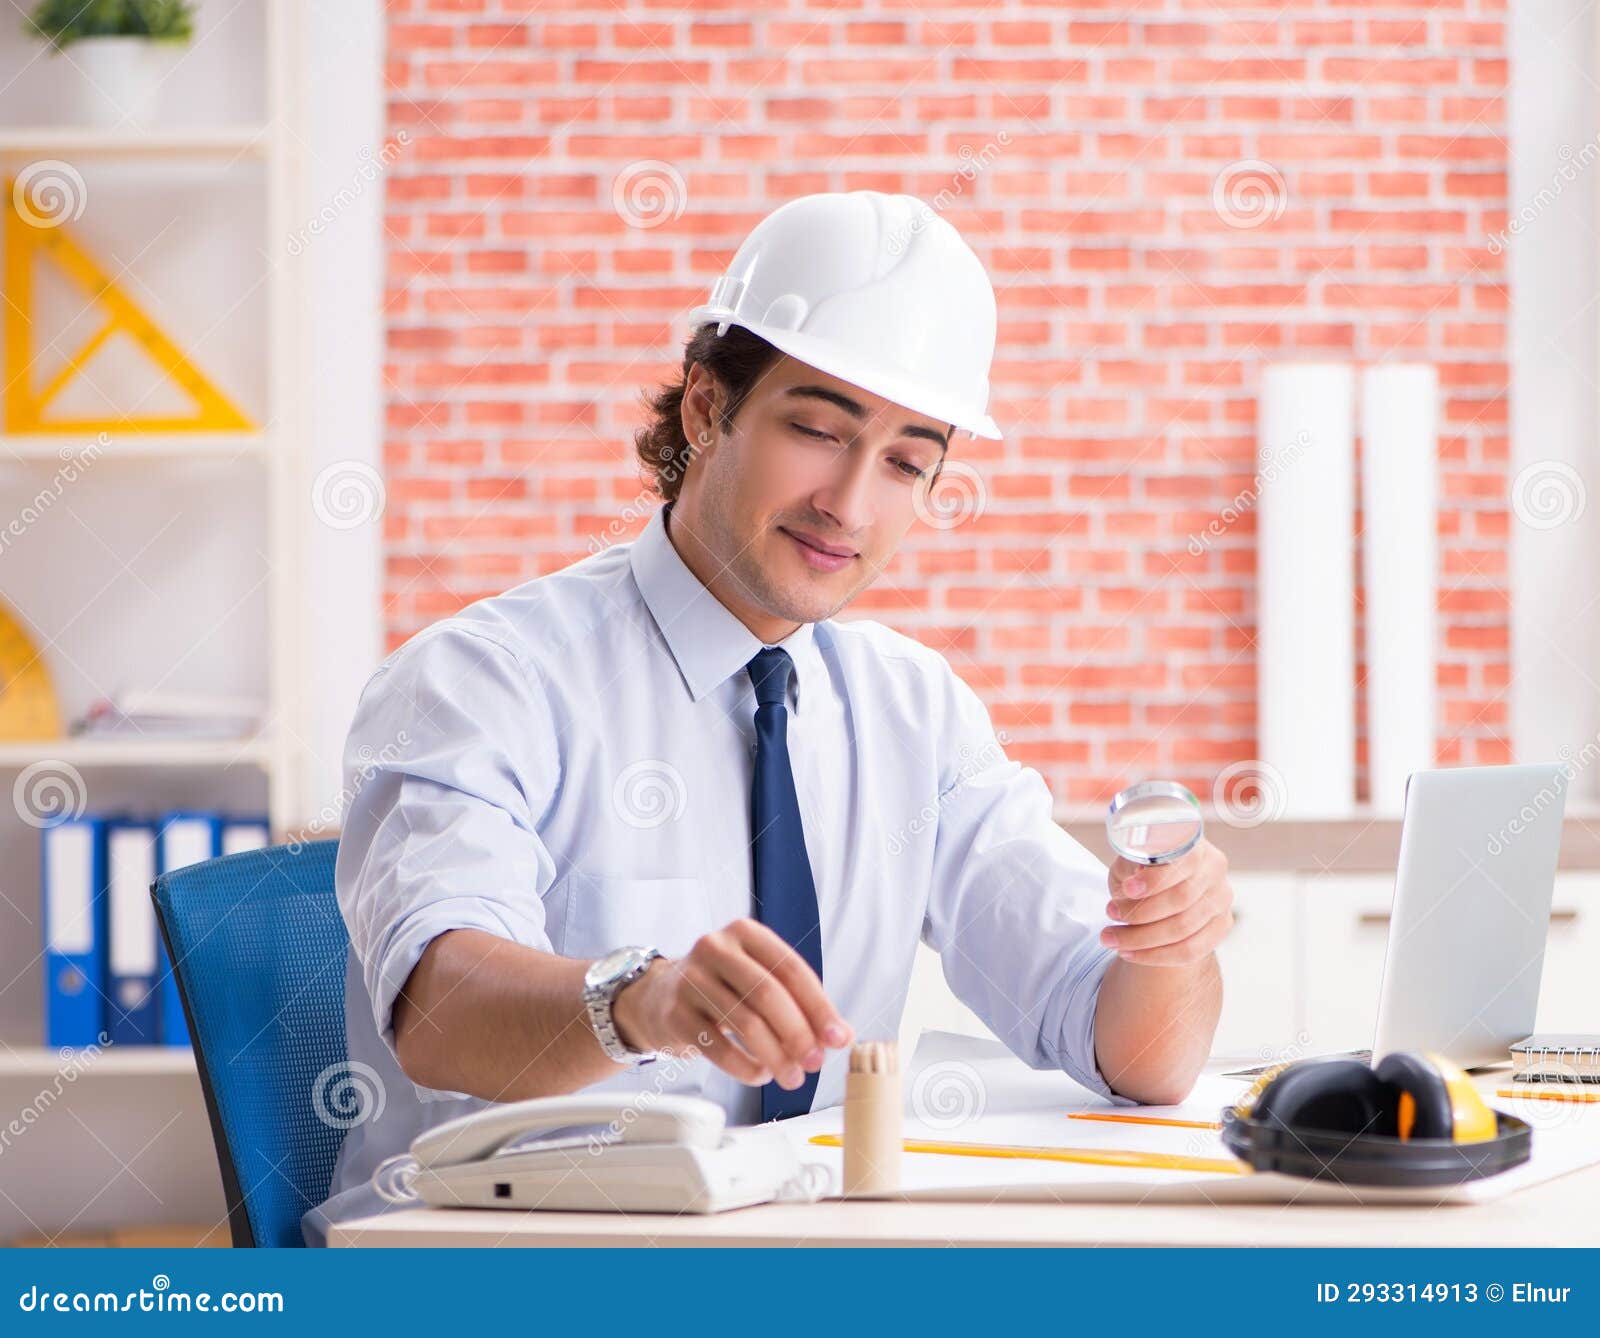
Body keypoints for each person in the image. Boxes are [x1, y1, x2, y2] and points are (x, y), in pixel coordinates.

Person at [302, 191, 1234, 1244]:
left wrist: (1172, 945)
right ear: (705, 408)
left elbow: (1128, 1048)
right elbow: (440, 1011)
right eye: (816, 430)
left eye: (904, 463)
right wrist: (637, 1001)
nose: (850, 503)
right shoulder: (485, 681)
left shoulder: (912, 711)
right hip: (503, 1262)